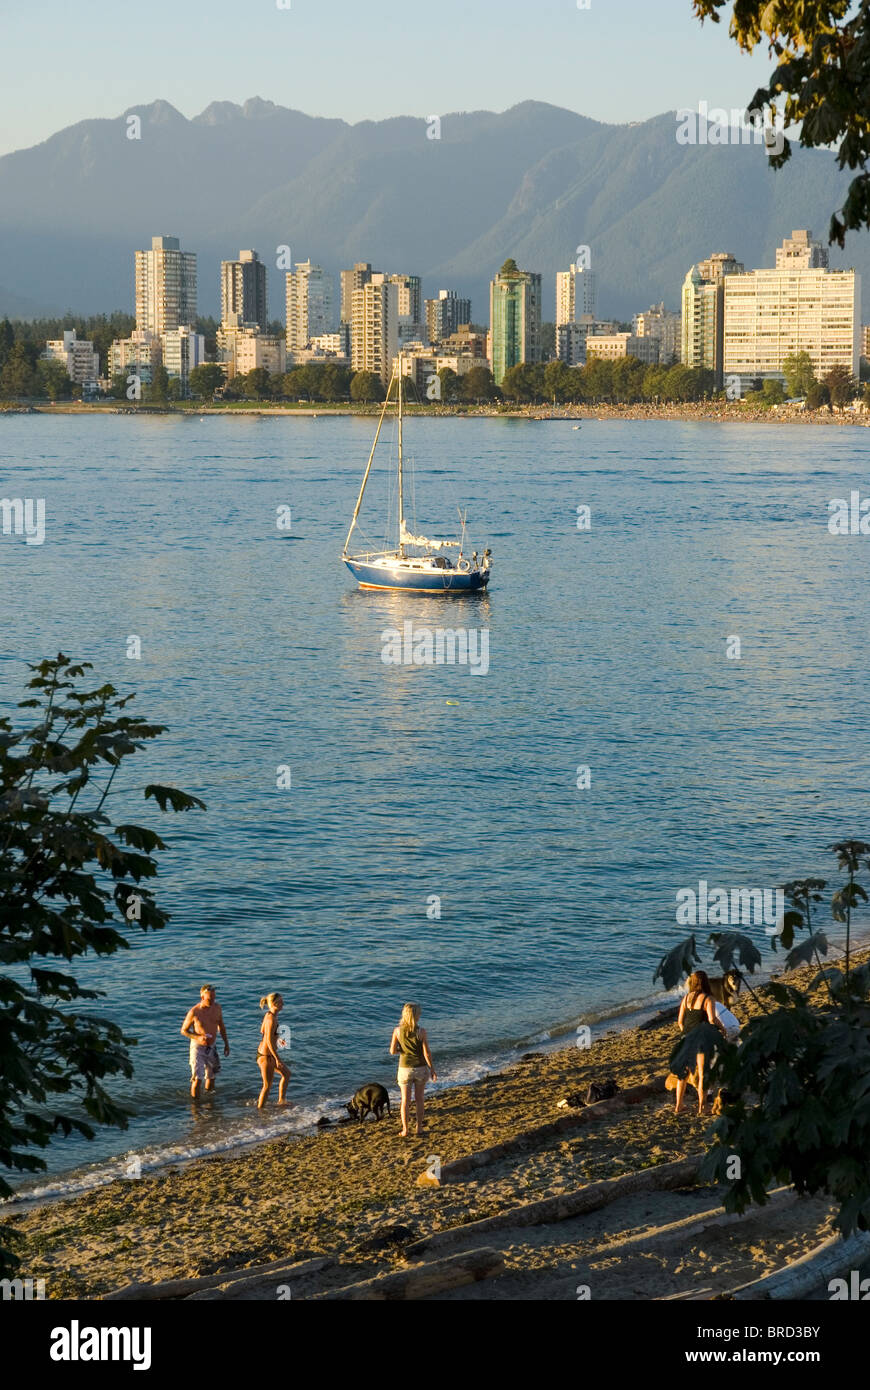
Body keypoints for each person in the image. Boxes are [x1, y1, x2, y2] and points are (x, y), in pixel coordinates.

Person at [673, 970, 726, 1115]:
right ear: (707, 982)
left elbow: (680, 1022)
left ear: (692, 982)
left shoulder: (686, 998)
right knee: (702, 1074)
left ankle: (678, 1106)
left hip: (686, 1038)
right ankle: (702, 1108)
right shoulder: (708, 998)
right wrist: (722, 1029)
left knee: (683, 1075)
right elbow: (711, 1019)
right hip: (702, 1039)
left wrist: (686, 1032)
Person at [389, 1002, 436, 1138]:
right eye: (419, 1013)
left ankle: (405, 1129)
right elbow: (426, 1053)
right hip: (421, 1068)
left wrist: (402, 1050)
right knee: (420, 1099)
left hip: (404, 1069)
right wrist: (432, 1069)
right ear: (416, 1016)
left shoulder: (397, 1031)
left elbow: (392, 1051)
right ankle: (419, 1128)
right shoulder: (421, 1032)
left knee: (405, 1100)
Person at [181, 984, 230, 1099]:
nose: (212, 1001)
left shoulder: (217, 1008)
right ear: (202, 997)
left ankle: (209, 1102)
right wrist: (197, 1037)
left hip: (211, 1047)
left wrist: (226, 1044)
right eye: (209, 999)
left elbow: (221, 1027)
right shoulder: (194, 1012)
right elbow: (183, 1030)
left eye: (214, 998)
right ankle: (195, 1107)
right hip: (198, 1047)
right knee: (197, 1078)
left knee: (211, 1077)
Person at [257, 992, 291, 1109]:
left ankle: (281, 1100)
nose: (283, 1004)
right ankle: (259, 1111)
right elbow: (268, 1041)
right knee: (267, 1085)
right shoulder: (271, 1019)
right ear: (275, 1004)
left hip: (265, 1054)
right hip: (266, 1056)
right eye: (281, 1002)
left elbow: (263, 1031)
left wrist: (278, 1039)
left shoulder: (269, 1015)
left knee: (286, 1074)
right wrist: (277, 1059)